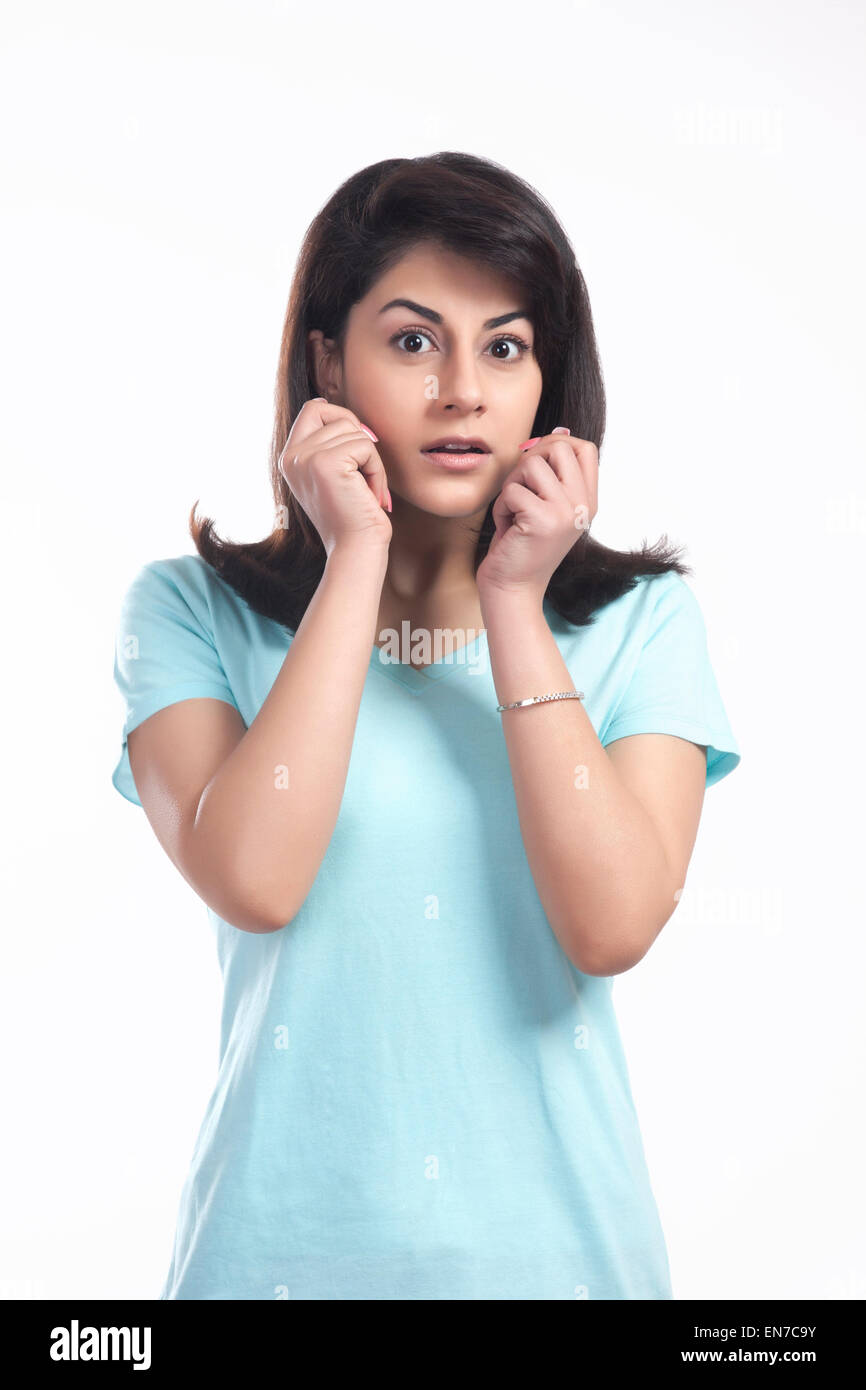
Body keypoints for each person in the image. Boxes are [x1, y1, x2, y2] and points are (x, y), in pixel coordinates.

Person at [111, 152, 741, 1300]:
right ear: (325, 362)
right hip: (271, 1268)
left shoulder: (642, 623)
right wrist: (355, 552)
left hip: (562, 1271)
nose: (462, 389)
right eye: (411, 341)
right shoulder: (189, 611)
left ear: (547, 380)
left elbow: (609, 926)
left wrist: (513, 600)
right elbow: (254, 877)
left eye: (504, 346)